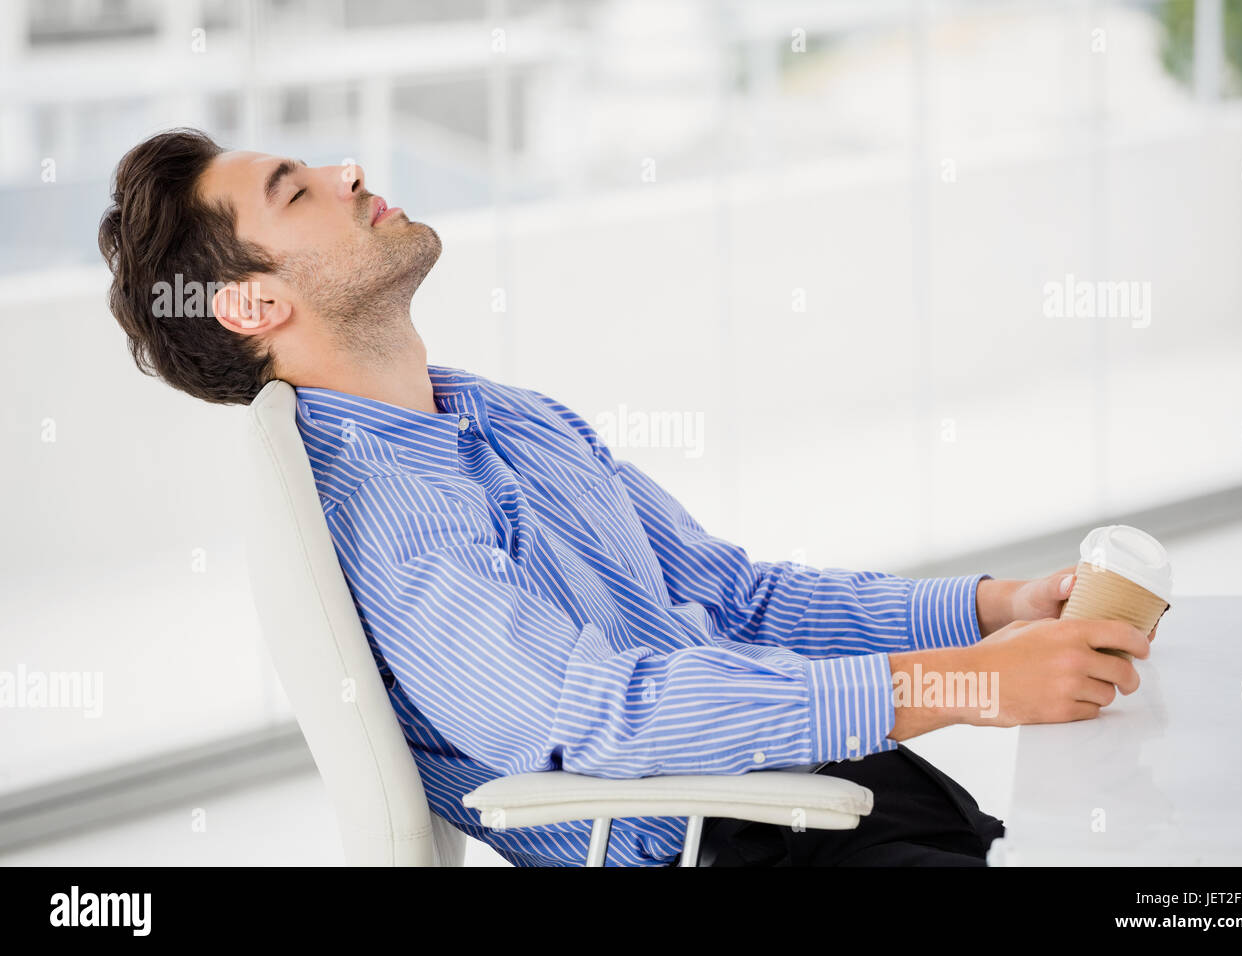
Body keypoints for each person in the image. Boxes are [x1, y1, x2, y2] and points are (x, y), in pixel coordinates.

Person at [98, 128, 1155, 867]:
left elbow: (732, 595)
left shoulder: (499, 412)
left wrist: (987, 609)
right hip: (730, 844)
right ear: (253, 302)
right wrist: (969, 684)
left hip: (831, 792)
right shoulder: (386, 516)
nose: (348, 169)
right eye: (297, 188)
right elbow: (599, 719)